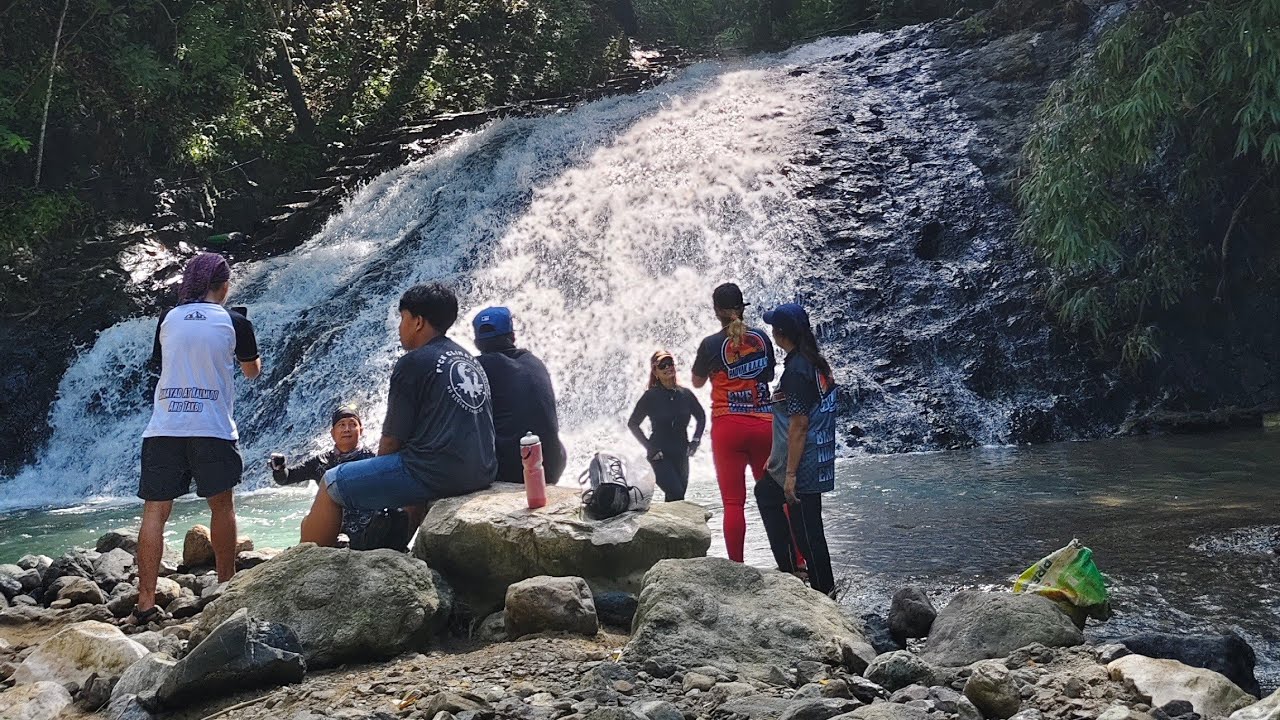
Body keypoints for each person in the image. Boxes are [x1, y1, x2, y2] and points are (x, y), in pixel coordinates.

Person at [299, 283, 497, 546]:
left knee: (331, 482)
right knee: (412, 476)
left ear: (418, 322)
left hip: (437, 474)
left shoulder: (413, 362)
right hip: (481, 471)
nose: (399, 327)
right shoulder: (469, 359)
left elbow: (391, 441)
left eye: (402, 318)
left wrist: (376, 483)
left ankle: (306, 569)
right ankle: (394, 553)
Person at [134, 252, 261, 624]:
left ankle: (144, 605)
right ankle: (225, 588)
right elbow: (251, 372)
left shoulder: (167, 319)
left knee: (155, 512)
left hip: (164, 427)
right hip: (212, 427)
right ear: (223, 287)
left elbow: (162, 364)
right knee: (221, 507)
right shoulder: (235, 320)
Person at [691, 283, 776, 562]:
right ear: (741, 308)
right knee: (778, 498)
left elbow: (697, 381)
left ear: (717, 311)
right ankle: (797, 563)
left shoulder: (710, 345)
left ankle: (737, 567)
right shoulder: (762, 338)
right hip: (765, 424)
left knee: (733, 503)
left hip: (728, 426)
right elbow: (769, 376)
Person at [757, 303, 838, 596]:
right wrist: (777, 457)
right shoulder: (812, 363)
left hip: (804, 462)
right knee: (767, 494)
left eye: (773, 328)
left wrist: (790, 474)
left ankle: (823, 591)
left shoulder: (797, 371)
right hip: (814, 456)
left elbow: (799, 426)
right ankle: (799, 571)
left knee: (808, 529)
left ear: (780, 333)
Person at [472, 307, 567, 485]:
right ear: (513, 336)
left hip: (512, 472)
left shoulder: (478, 368)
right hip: (552, 465)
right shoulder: (534, 361)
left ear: (476, 343)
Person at [270, 404, 377, 543]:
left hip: (366, 534)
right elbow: (287, 478)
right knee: (306, 522)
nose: (347, 429)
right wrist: (279, 468)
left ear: (361, 430)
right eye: (341, 424)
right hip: (329, 531)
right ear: (332, 433)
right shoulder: (321, 461)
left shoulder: (372, 461)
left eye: (352, 424)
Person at [628, 351, 706, 502]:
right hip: (659, 456)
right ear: (655, 371)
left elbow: (701, 416)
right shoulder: (650, 396)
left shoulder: (685, 394)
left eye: (670, 363)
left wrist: (696, 441)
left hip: (681, 453)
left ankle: (668, 526)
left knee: (677, 498)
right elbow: (633, 423)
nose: (668, 367)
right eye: (662, 365)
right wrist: (650, 447)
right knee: (676, 492)